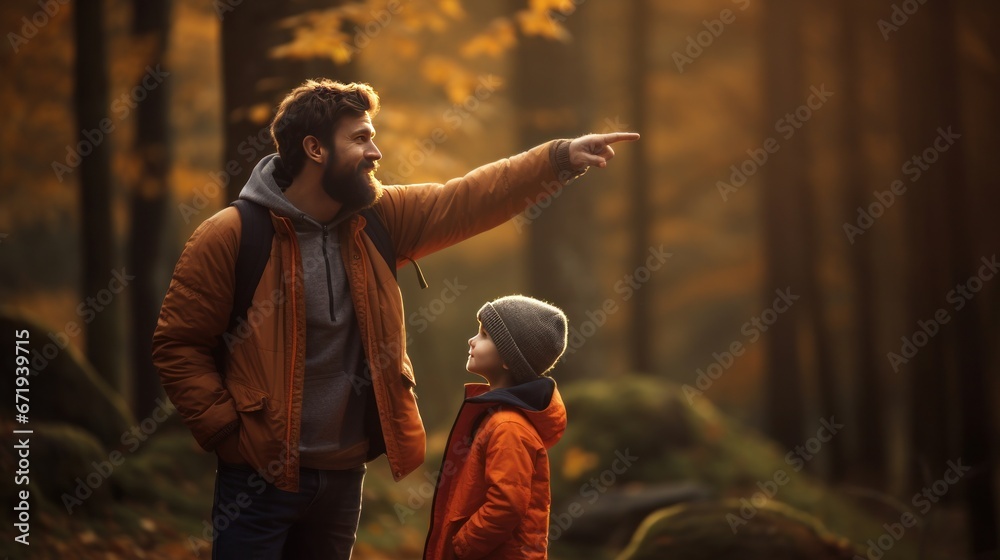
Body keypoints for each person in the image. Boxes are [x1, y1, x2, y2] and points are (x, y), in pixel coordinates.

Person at [151, 78, 637, 559]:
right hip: (256, 481)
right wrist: (228, 436)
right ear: (315, 149)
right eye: (360, 138)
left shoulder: (379, 218)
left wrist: (558, 159)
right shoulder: (231, 235)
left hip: (343, 478)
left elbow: (470, 197)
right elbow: (178, 344)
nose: (375, 152)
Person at [423, 295, 568, 560]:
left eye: (484, 335)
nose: (472, 340)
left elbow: (507, 504)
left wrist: (462, 546)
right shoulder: (496, 416)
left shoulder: (509, 426)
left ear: (508, 359)